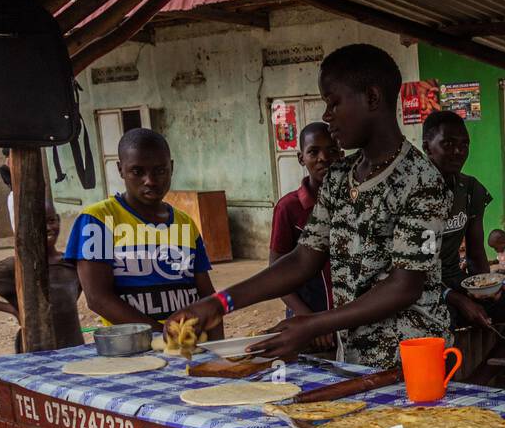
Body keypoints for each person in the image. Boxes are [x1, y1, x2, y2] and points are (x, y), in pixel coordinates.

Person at [165, 44, 451, 367]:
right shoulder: (340, 176)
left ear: (372, 98)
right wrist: (220, 302)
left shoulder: (421, 180)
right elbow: (303, 258)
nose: (327, 117)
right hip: (356, 361)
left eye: (333, 103)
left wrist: (315, 323)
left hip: (413, 361)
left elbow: (405, 286)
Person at [68, 128, 220, 334]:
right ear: (121, 170)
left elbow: (206, 296)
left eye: (159, 170)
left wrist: (217, 347)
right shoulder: (98, 220)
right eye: (137, 171)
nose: (150, 180)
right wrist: (162, 334)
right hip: (132, 349)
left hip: (188, 346)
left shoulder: (185, 223)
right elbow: (98, 299)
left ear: (171, 167)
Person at [422, 110, 505, 362]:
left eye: (464, 144)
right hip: (420, 289)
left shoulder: (470, 189)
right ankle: (447, 385)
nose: (458, 151)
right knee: (441, 320)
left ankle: (487, 375)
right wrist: (458, 300)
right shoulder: (414, 193)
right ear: (427, 148)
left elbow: (475, 251)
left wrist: (486, 288)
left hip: (457, 282)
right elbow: (411, 273)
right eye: (448, 143)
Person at [0, 197, 83, 351]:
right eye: (39, 222)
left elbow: (75, 294)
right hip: (35, 348)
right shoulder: (16, 266)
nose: (48, 227)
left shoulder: (71, 262)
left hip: (73, 345)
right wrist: (12, 309)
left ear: (59, 221)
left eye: (51, 220)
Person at [269, 120, 340, 351]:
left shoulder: (353, 203)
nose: (323, 158)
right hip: (306, 319)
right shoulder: (288, 208)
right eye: (313, 151)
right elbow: (277, 273)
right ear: (301, 158)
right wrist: (308, 319)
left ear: (341, 153)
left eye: (331, 150)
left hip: (348, 321)